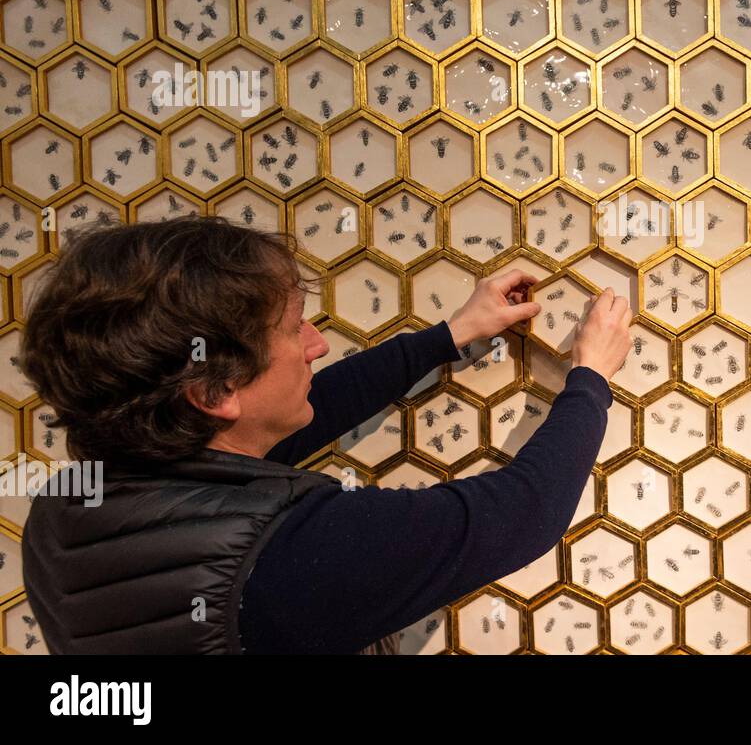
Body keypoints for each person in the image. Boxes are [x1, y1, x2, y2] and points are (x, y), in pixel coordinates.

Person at [15, 216, 632, 653]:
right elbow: (522, 514)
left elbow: (296, 417)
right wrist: (590, 377)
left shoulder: (68, 511)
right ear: (212, 393)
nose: (316, 344)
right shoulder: (286, 564)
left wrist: (449, 334)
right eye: (291, 329)